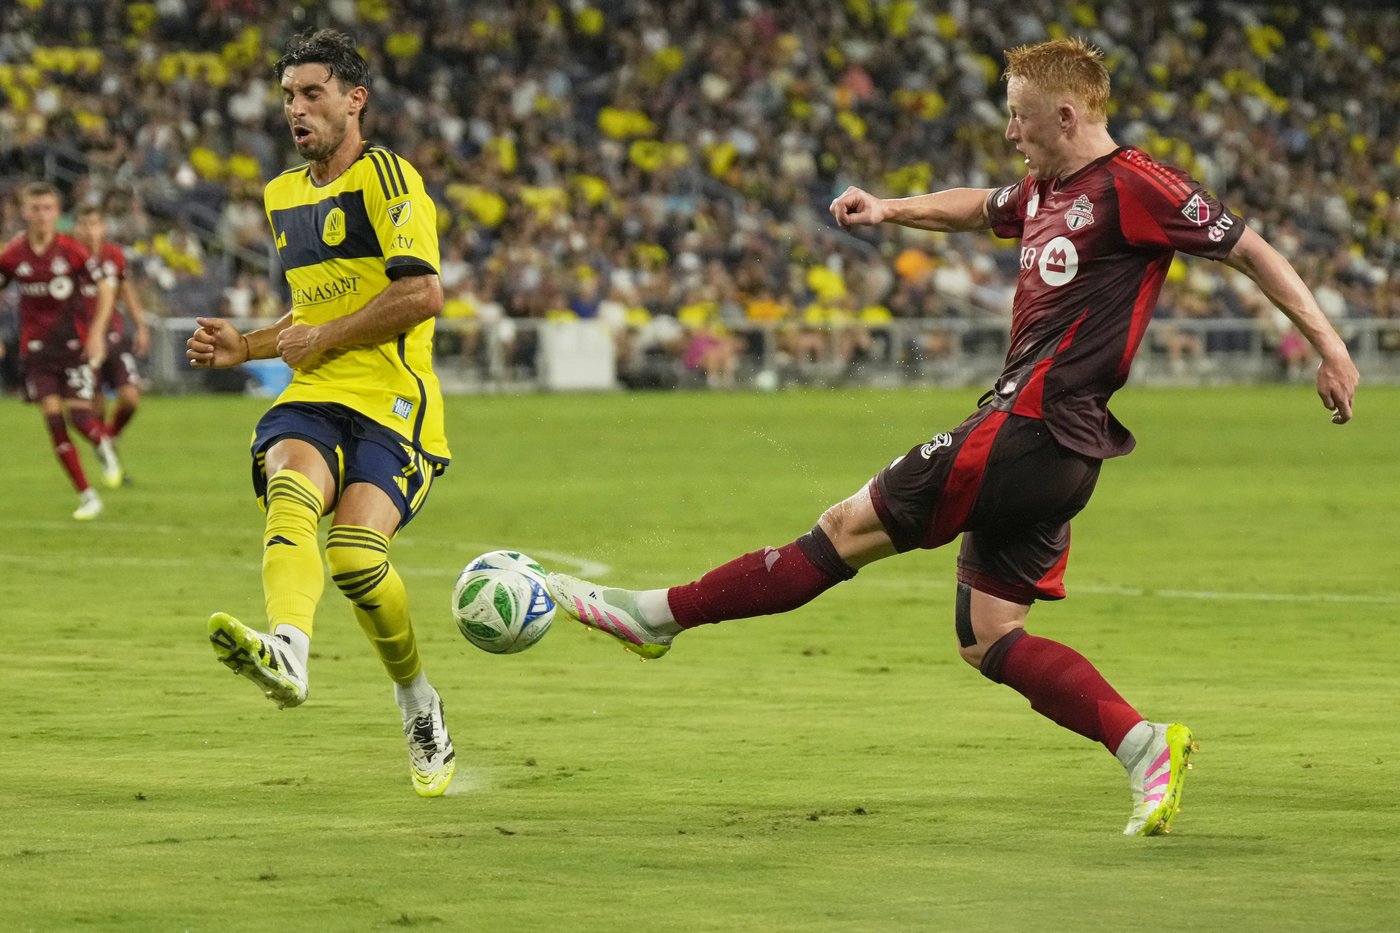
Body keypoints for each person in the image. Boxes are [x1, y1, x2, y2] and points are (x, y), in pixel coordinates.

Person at [545, 38, 1360, 836]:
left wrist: (1329, 346)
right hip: (1059, 451)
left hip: (1027, 428)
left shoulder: (1135, 184)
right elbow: (980, 206)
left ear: (1066, 116)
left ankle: (655, 616)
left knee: (841, 530)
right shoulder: (1046, 188)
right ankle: (1145, 745)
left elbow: (1250, 251)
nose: (1010, 132)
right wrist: (890, 208)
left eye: (1020, 116)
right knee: (989, 635)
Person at [185, 29, 456, 797]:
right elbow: (311, 310)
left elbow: (421, 294)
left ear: (353, 100)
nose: (295, 110)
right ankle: (289, 652)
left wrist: (321, 337)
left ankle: (417, 701)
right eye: (287, 97)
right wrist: (247, 345)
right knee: (290, 489)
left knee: (357, 560)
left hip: (394, 404)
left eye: (311, 94)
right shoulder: (282, 194)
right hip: (313, 395)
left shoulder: (388, 178)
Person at [0, 181, 123, 520]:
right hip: (36, 352)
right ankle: (87, 495)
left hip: (74, 349)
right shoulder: (13, 254)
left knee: (80, 419)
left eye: (47, 208)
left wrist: (96, 335)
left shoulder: (72, 250)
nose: (41, 215)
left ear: (57, 213)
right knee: (53, 421)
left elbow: (105, 290)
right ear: (24, 211)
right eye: (35, 208)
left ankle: (102, 443)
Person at [74, 206, 150, 458]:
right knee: (95, 405)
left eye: (94, 224)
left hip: (112, 334)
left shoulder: (113, 255)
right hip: (80, 339)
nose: (90, 230)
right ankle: (105, 450)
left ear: (103, 227)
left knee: (131, 398)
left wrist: (141, 326)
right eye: (84, 224)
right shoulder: (69, 256)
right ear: (76, 228)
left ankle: (110, 436)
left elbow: (126, 291)